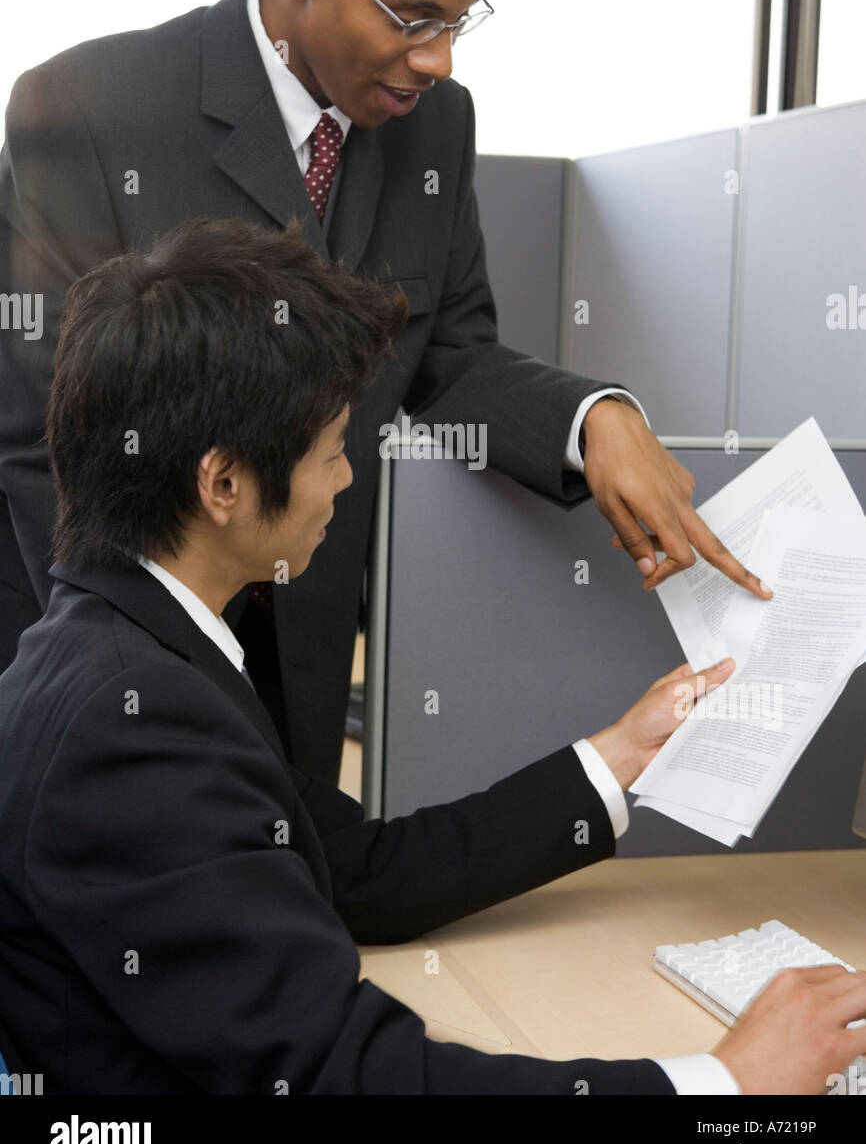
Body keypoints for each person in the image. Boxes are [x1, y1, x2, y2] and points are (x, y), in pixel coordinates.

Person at [0, 217, 861, 1096]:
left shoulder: (139, 648)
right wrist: (720, 1086)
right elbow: (346, 1078)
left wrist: (622, 755)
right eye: (333, 451)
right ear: (223, 485)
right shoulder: (131, 726)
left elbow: (358, 874)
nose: (344, 480)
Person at [0, 0, 772, 782]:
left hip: (308, 652)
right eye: (411, 18)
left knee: (309, 905)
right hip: (109, 664)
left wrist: (593, 419)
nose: (438, 58)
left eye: (458, 21)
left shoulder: (433, 127)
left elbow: (447, 359)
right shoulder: (88, 109)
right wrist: (140, 664)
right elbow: (39, 443)